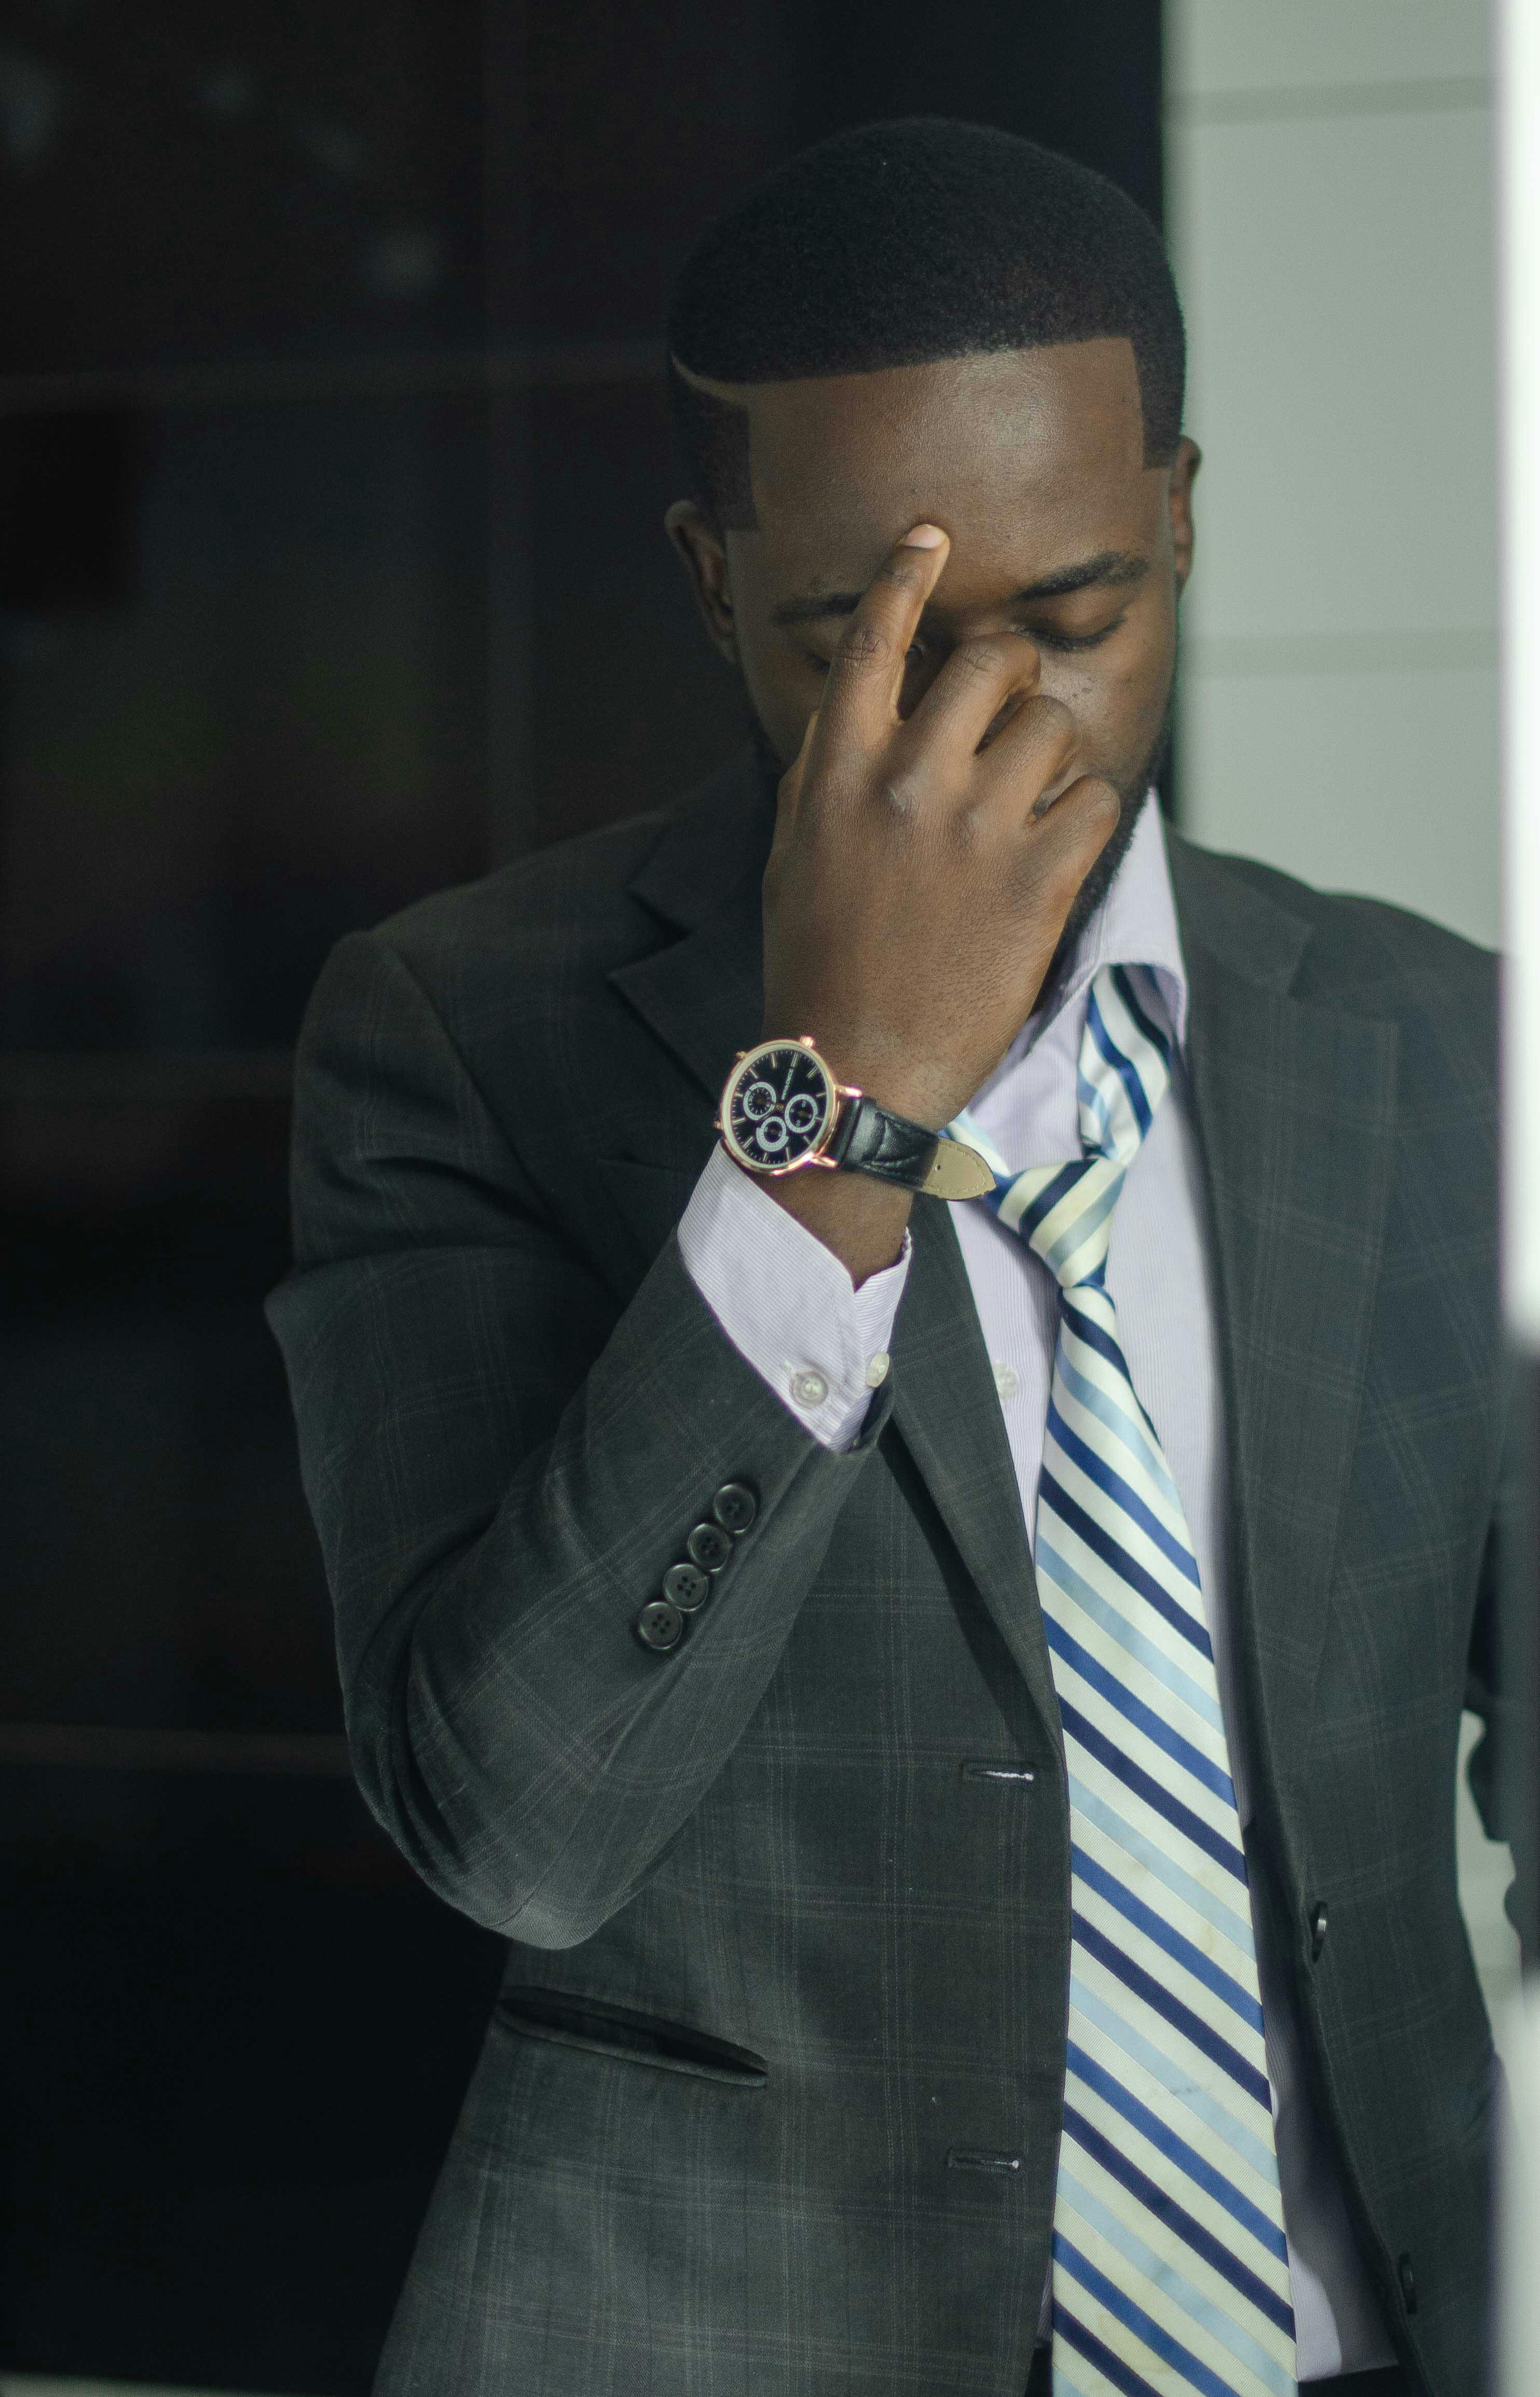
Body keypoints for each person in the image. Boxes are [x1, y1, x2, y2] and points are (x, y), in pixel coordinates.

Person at [268, 119, 1524, 2397]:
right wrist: (832, 1108)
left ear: (1178, 521)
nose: (988, 721)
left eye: (1075, 615)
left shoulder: (1444, 1049)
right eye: (867, 638)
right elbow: (511, 1825)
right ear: (704, 576)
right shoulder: (460, 1030)